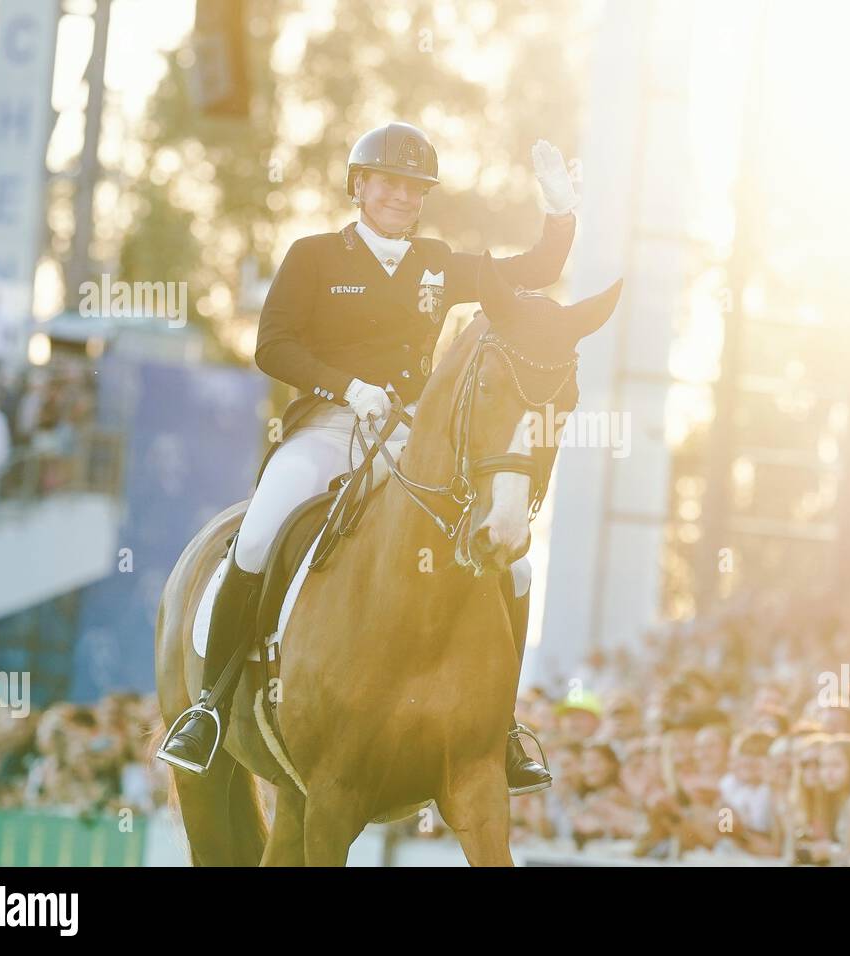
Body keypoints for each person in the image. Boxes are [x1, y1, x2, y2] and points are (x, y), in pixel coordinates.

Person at [157, 121, 580, 795]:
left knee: (519, 565)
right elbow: (273, 346)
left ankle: (500, 729)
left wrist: (560, 214)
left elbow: (534, 272)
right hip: (329, 424)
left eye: (414, 189)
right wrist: (345, 386)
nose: (402, 198)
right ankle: (210, 705)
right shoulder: (315, 255)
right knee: (261, 530)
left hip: (416, 438)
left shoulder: (437, 262)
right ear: (360, 187)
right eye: (388, 184)